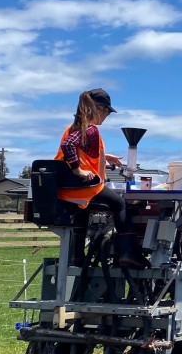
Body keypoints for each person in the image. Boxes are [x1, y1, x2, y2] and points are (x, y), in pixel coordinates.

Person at [55, 88, 148, 269]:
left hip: (68, 189)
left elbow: (81, 151)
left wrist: (105, 157)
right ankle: (128, 254)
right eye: (106, 112)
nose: (106, 117)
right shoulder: (90, 129)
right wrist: (78, 170)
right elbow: (69, 145)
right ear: (98, 109)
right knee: (120, 204)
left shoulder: (73, 127)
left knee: (83, 209)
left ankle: (77, 257)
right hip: (85, 186)